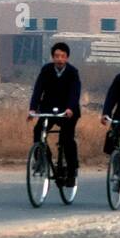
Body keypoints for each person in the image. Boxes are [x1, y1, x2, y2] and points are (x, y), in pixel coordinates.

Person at [28, 42, 82, 184]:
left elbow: (75, 93)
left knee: (66, 138)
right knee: (38, 131)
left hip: (68, 112)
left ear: (67, 58)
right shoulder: (46, 70)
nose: (59, 59)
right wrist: (32, 109)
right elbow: (38, 90)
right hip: (48, 109)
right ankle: (42, 159)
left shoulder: (72, 72)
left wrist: (70, 108)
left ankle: (71, 169)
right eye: (56, 56)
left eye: (62, 56)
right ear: (52, 57)